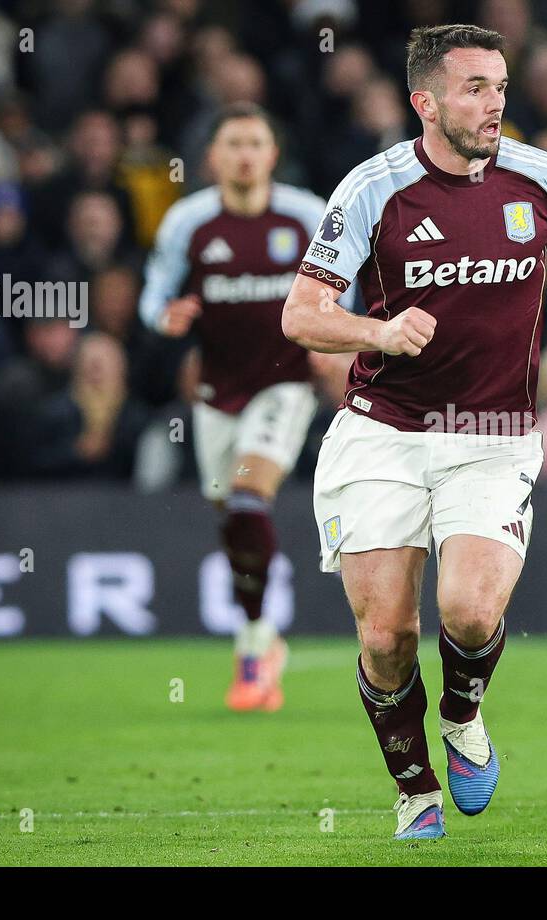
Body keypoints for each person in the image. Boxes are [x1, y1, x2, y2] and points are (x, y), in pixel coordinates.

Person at [282, 24, 547, 840]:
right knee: (388, 635)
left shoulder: (543, 179)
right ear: (424, 101)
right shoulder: (375, 188)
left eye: (500, 86)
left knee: (467, 612)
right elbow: (301, 314)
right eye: (474, 87)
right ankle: (414, 791)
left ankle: (463, 716)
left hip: (494, 434)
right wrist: (378, 333)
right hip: (383, 432)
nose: (495, 102)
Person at [140, 102, 350, 712]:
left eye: (255, 142)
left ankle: (253, 651)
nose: (244, 154)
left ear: (272, 155)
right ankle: (259, 637)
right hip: (215, 392)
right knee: (234, 521)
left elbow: (345, 285)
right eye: (233, 143)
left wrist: (333, 343)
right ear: (214, 157)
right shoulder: (189, 223)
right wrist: (164, 316)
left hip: (284, 381)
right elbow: (156, 289)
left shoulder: (307, 216)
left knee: (246, 496)